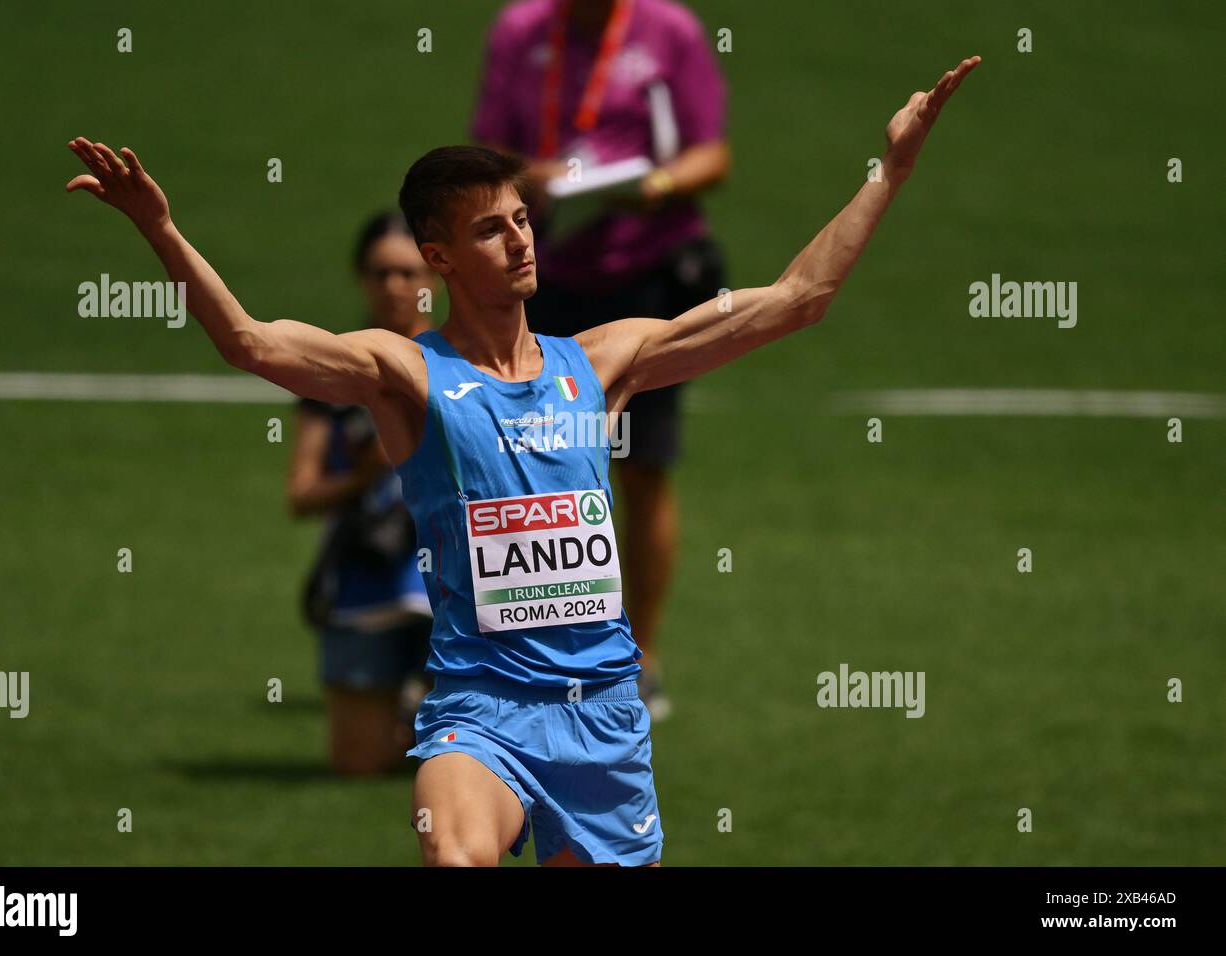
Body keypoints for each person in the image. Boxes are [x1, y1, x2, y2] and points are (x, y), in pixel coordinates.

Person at [65, 53, 980, 865]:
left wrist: (891, 167)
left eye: (521, 220)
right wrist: (161, 230)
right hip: (481, 710)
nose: (520, 239)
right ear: (438, 258)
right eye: (490, 230)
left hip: (605, 719)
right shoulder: (407, 375)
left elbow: (798, 297)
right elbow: (253, 344)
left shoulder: (603, 360)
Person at [472, 0, 732, 718]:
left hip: (648, 272)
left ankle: (639, 657)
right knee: (534, 469)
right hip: (544, 276)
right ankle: (533, 650)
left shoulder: (667, 29)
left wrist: (648, 186)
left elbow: (712, 153)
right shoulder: (521, 30)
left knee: (642, 464)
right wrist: (536, 177)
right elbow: (484, 156)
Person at [287, 212, 436, 775]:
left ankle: (427, 710)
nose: (395, 287)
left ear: (436, 276)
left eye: (408, 272)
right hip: (364, 576)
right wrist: (367, 471)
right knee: (357, 767)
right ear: (360, 279)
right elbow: (301, 495)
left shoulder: (467, 368)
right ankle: (410, 711)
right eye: (380, 274)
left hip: (456, 582)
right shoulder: (330, 372)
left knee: (467, 758)